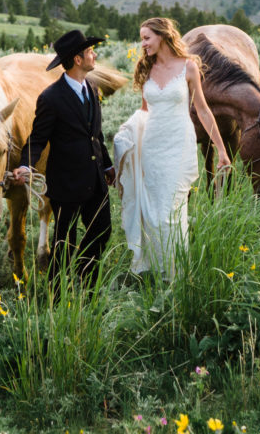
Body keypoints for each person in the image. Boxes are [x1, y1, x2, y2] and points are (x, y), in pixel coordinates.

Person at [114, 17, 231, 279]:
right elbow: (144, 112)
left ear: (163, 35)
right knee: (153, 212)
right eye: (141, 38)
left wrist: (221, 150)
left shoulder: (189, 67)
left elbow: (202, 110)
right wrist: (127, 135)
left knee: (172, 209)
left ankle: (178, 273)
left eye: (147, 37)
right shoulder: (146, 69)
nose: (143, 43)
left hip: (178, 143)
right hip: (151, 146)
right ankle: (158, 270)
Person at [12, 29, 116, 288]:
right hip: (66, 184)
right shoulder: (51, 97)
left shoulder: (91, 88)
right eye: (90, 51)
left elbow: (96, 134)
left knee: (102, 232)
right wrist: (26, 165)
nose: (95, 54)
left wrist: (107, 164)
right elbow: (37, 139)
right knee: (64, 243)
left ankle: (86, 281)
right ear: (77, 60)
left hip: (95, 179)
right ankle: (56, 294)